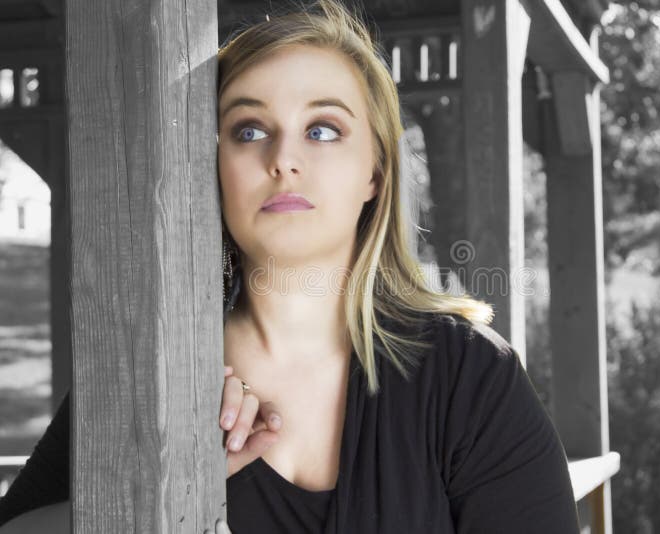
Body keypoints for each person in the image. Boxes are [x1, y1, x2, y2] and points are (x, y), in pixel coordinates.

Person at [0, 0, 581, 532]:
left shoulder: (470, 379)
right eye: (249, 130)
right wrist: (154, 488)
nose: (283, 159)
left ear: (375, 172)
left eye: (322, 130)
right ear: (212, 164)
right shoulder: (144, 372)